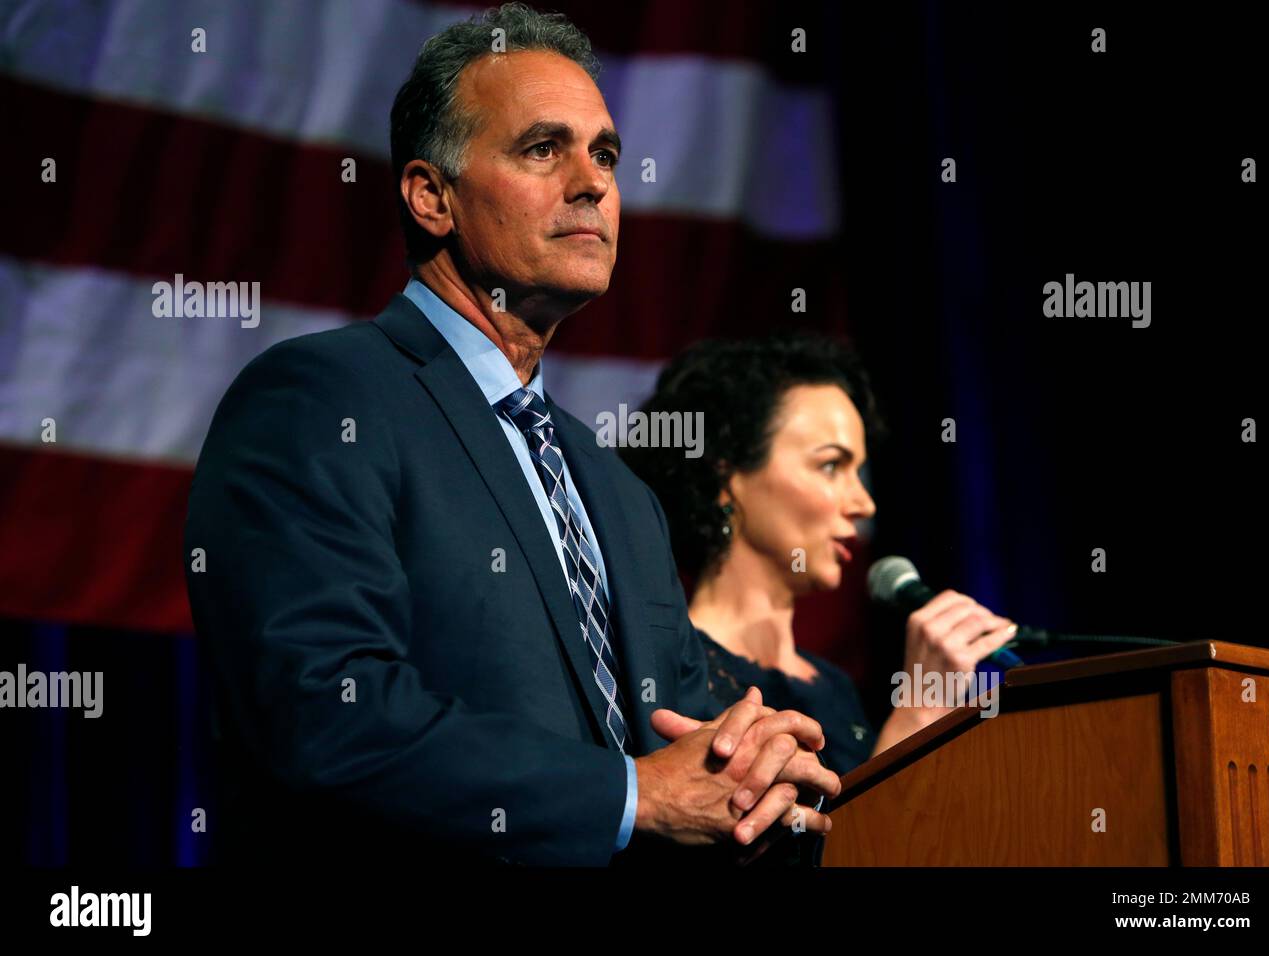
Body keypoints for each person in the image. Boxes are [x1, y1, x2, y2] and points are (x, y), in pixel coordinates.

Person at [183, 3, 840, 868]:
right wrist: (633, 796)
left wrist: (751, 773)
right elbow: (323, 712)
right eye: (543, 148)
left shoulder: (617, 492)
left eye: (603, 153)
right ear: (431, 195)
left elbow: (682, 756)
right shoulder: (319, 399)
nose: (594, 182)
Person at [620, 334, 1018, 776]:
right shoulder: (668, 670)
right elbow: (829, 845)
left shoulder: (835, 687)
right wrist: (919, 713)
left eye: (859, 471)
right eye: (831, 465)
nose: (864, 503)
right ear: (727, 474)